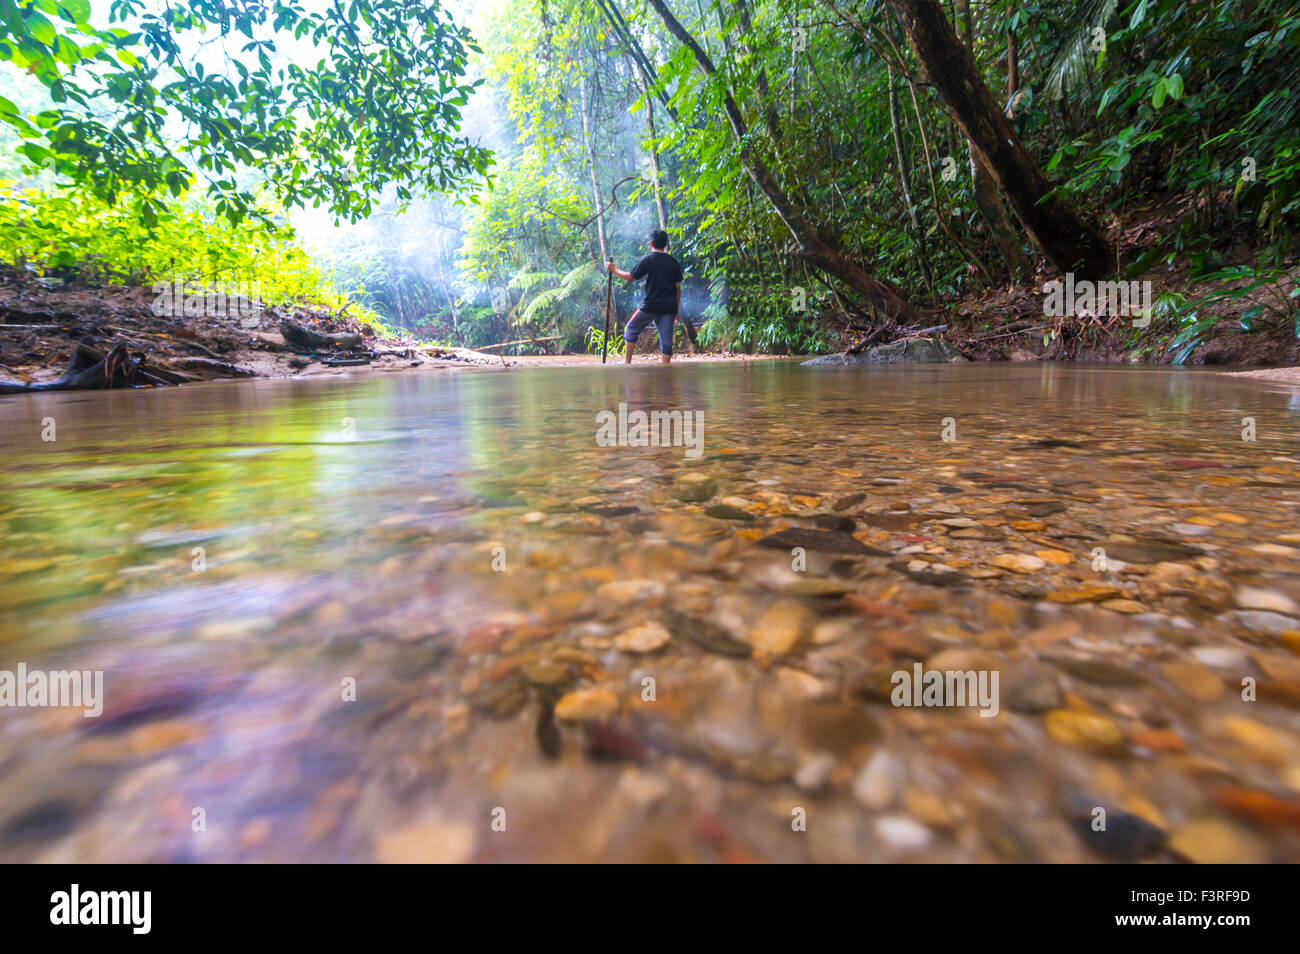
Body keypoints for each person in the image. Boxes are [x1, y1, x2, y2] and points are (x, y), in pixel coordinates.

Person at [606, 229, 696, 364]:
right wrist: (676, 311)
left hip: (650, 306)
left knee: (630, 329)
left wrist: (614, 269)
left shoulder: (648, 259)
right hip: (669, 307)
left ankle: (627, 364)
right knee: (666, 341)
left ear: (651, 244)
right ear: (666, 244)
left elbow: (631, 277)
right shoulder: (673, 262)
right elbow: (678, 288)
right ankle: (666, 370)